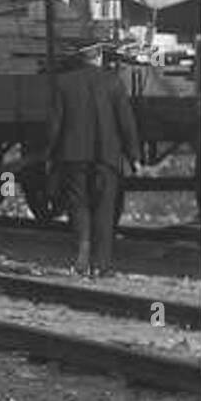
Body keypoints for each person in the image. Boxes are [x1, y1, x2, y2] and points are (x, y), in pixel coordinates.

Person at [46, 41, 141, 277]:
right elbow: (126, 123)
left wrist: (49, 154)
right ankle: (100, 265)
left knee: (78, 205)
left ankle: (83, 252)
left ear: (80, 58)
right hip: (106, 158)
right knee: (104, 210)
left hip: (73, 157)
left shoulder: (63, 83)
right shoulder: (113, 82)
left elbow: (54, 125)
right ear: (98, 56)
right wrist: (134, 156)